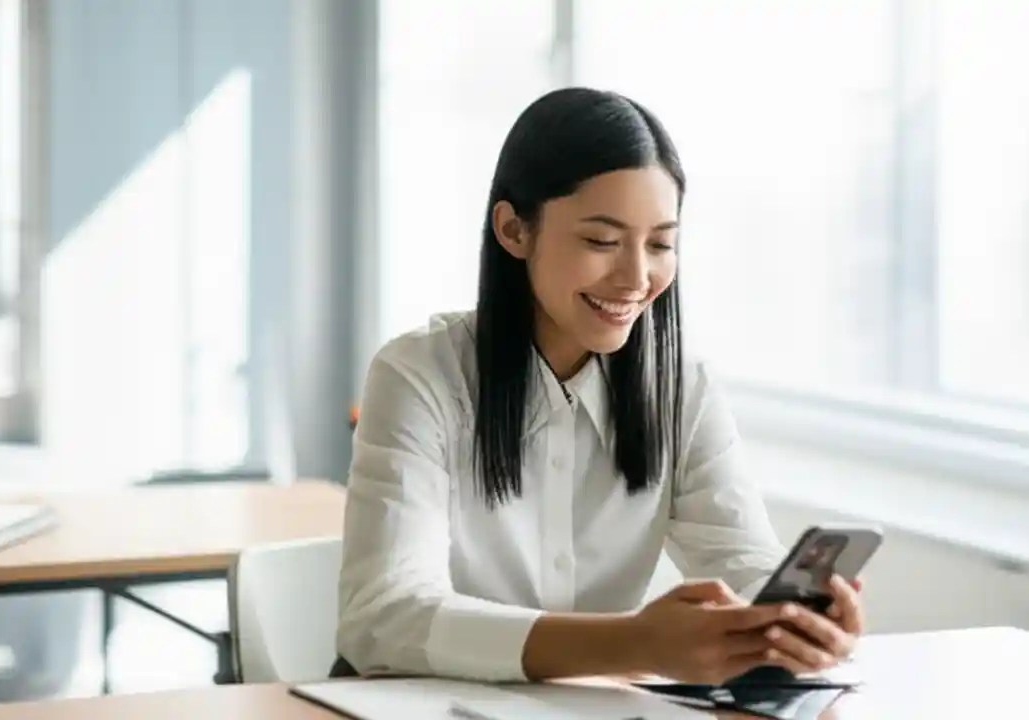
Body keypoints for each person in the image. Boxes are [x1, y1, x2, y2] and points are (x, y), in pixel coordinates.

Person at [334, 87, 865, 684]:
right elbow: (384, 617)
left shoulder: (683, 390)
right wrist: (632, 644)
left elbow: (743, 560)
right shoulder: (420, 377)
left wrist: (790, 622)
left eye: (661, 243)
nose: (637, 277)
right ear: (513, 230)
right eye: (601, 241)